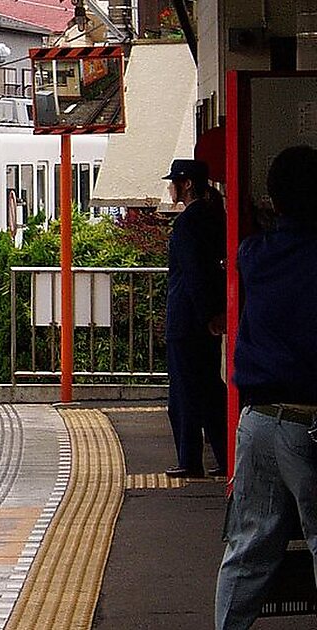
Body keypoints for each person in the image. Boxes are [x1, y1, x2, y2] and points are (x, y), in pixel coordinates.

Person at [214, 145, 317, 629]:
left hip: (256, 422)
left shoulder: (254, 255)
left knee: (248, 546)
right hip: (309, 423)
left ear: (275, 201)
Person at [162, 158, 227, 478]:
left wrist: (204, 315)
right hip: (204, 318)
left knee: (184, 394)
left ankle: (189, 459)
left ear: (187, 184)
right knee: (211, 389)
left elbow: (192, 273)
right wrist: (214, 314)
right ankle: (226, 455)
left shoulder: (188, 222)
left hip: (187, 320)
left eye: (174, 181)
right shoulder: (214, 216)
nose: (171, 186)